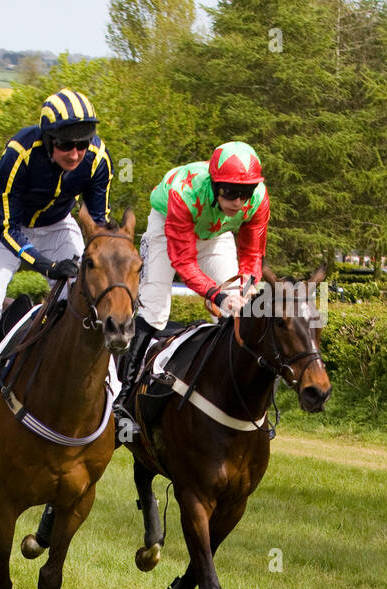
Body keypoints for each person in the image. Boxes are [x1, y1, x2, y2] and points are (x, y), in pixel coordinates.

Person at [0, 87, 111, 447]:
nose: (75, 154)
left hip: (59, 226)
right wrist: (47, 265)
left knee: (91, 296)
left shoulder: (98, 158)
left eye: (82, 145)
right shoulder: (20, 154)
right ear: (48, 139)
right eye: (66, 146)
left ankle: (107, 393)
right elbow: (8, 228)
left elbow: (97, 222)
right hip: (9, 229)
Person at [112, 141, 270, 438]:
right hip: (168, 227)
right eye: (231, 192)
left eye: (245, 194)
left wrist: (244, 289)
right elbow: (183, 262)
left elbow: (252, 256)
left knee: (239, 307)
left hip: (216, 234)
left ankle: (233, 402)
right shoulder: (184, 193)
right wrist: (217, 294)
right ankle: (123, 400)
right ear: (215, 184)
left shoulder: (259, 198)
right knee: (155, 309)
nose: (238, 202)